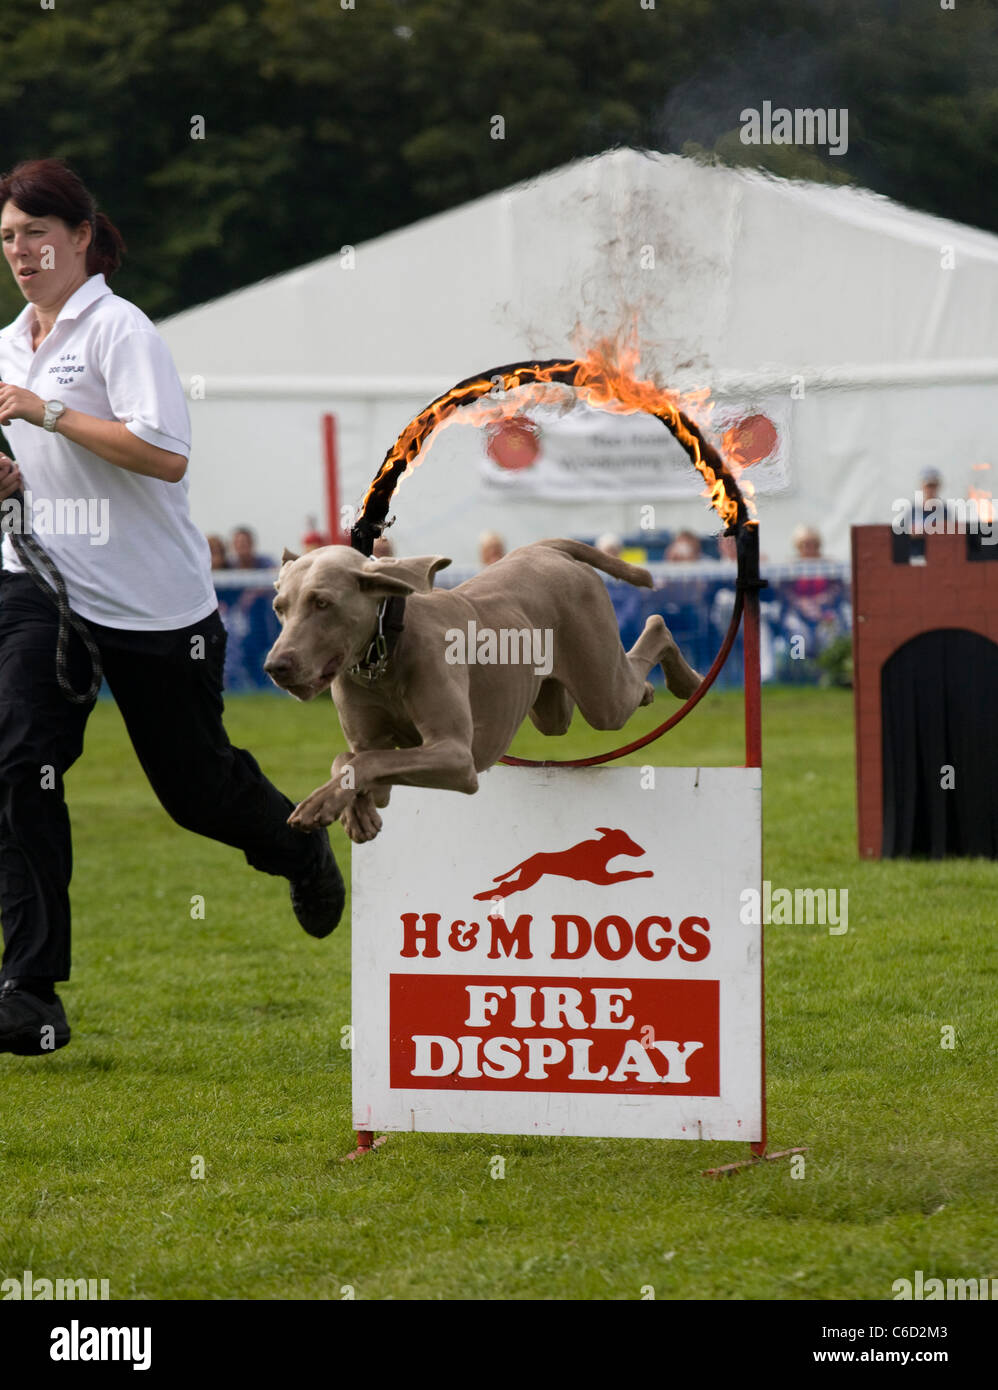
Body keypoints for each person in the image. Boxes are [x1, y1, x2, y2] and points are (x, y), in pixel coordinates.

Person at [0, 159, 344, 1057]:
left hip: (153, 607)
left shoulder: (120, 331)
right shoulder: (5, 343)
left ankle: (297, 847)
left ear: (80, 237)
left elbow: (163, 454)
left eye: (38, 232)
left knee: (197, 793)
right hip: (42, 589)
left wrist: (47, 414)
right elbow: (27, 466)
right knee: (19, 760)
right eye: (8, 236)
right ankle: (30, 992)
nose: (22, 251)